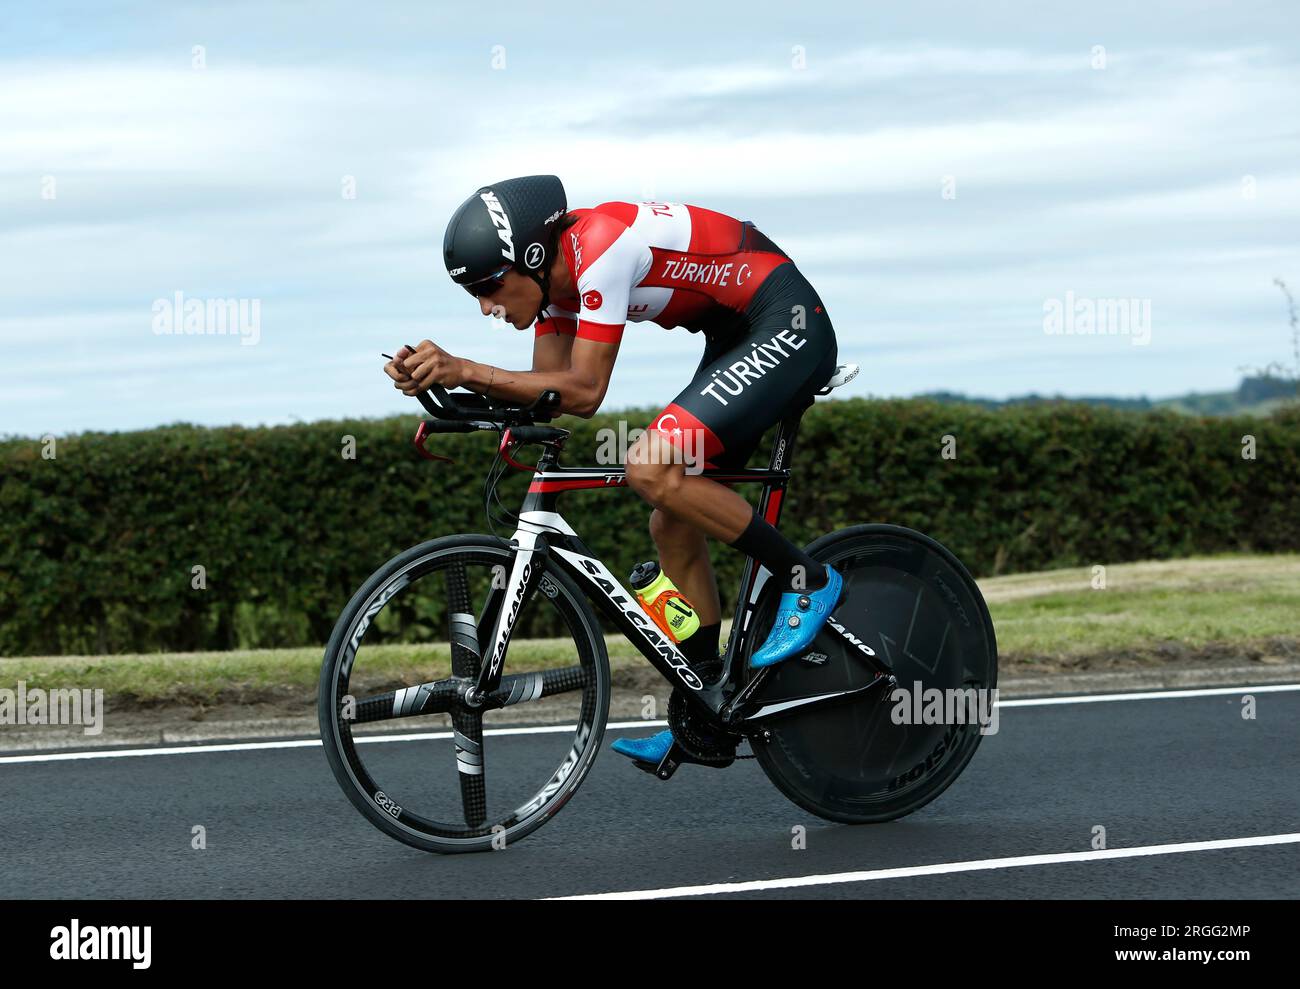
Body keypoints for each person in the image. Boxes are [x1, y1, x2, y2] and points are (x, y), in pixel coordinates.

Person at [385, 175, 842, 766]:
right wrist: (444, 391)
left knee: (650, 465)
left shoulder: (600, 244)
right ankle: (707, 703)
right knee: (670, 519)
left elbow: (583, 391)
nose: (485, 306)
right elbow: (543, 394)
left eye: (490, 286)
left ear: (530, 258)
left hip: (785, 321)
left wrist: (466, 368)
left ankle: (807, 581)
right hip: (734, 336)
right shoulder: (552, 291)